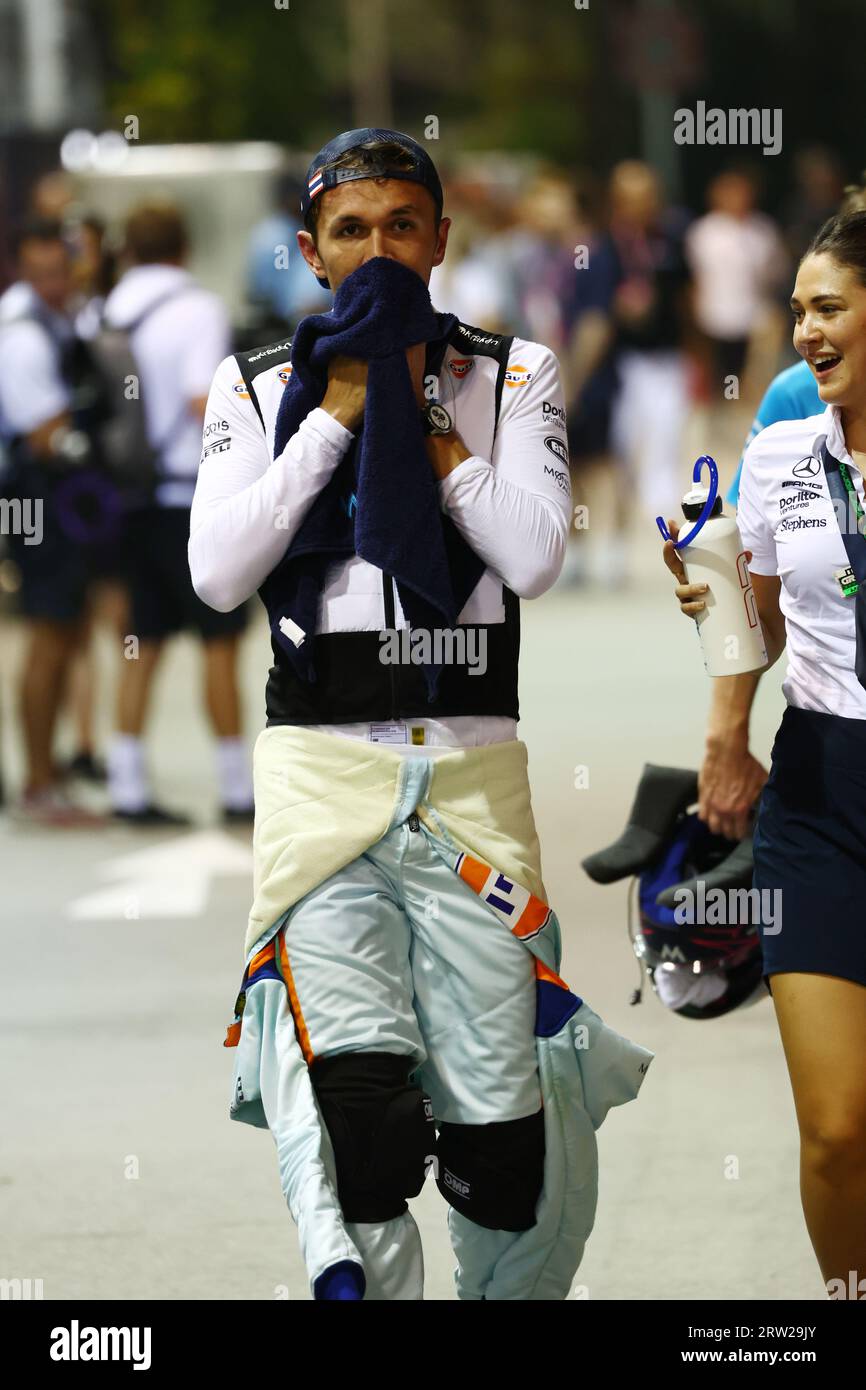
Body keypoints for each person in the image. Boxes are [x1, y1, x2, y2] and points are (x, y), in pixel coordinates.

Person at [190, 128, 650, 1300]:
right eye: (352, 230)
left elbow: (535, 556)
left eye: (404, 225)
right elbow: (216, 572)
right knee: (361, 1119)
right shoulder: (252, 386)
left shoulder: (514, 371)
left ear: (442, 241)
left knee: (500, 1137)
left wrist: (426, 418)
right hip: (318, 769)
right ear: (309, 251)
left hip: (467, 772)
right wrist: (337, 415)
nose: (380, 249)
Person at [662, 209, 866, 1296]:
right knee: (835, 1127)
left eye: (826, 307)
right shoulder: (784, 449)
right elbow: (763, 623)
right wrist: (713, 598)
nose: (802, 332)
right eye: (795, 310)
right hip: (823, 798)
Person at [102, 201, 254, 825]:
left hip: (128, 498)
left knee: (140, 645)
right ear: (184, 247)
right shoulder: (198, 308)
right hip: (189, 498)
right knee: (219, 644)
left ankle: (127, 786)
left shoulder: (106, 309)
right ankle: (235, 790)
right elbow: (203, 401)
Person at [0, 218, 105, 825]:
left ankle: (49, 772)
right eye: (38, 274)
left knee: (65, 630)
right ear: (21, 269)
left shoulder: (59, 316)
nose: (50, 283)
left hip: (54, 498)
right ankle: (37, 784)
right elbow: (45, 435)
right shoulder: (24, 334)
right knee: (47, 633)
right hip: (36, 501)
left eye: (58, 271)